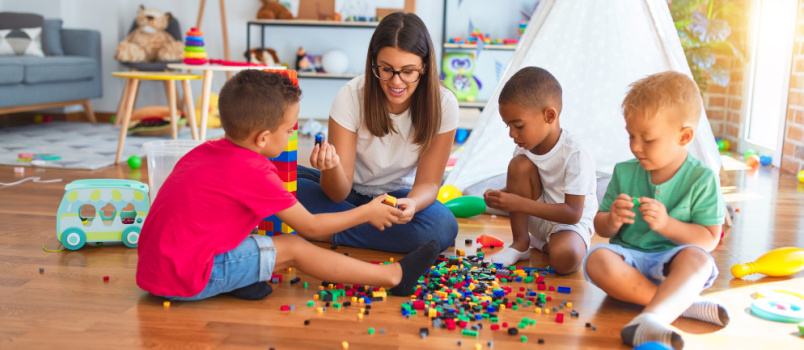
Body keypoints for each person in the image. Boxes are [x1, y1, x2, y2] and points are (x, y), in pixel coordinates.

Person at [136, 70, 441, 301]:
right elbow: (310, 227)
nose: (292, 134)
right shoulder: (253, 170)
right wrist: (366, 213)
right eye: (289, 129)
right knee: (294, 247)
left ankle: (239, 278)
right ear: (263, 138)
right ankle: (393, 276)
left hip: (156, 268)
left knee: (268, 241)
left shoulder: (205, 151)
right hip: (183, 278)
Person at [583, 71, 728, 349]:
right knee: (596, 259)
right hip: (628, 258)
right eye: (631, 136)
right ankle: (680, 303)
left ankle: (651, 317)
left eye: (648, 139)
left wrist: (667, 225)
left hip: (675, 259)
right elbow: (600, 227)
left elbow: (709, 239)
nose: (636, 146)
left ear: (684, 136)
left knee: (700, 261)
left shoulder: (702, 178)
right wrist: (612, 220)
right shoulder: (624, 172)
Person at [296, 12, 459, 253]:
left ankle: (318, 228)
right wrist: (331, 168)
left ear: (424, 67)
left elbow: (428, 183)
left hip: (397, 198)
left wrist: (413, 202)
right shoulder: (351, 96)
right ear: (374, 62)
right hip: (347, 195)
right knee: (278, 183)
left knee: (441, 225)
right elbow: (337, 192)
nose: (396, 82)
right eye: (386, 69)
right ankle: (329, 226)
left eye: (408, 71)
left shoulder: (443, 104)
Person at [483, 67, 598, 273]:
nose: (511, 133)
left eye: (518, 125)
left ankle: (542, 245)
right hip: (537, 217)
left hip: (568, 224)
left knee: (564, 259)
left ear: (549, 115)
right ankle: (521, 244)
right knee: (518, 165)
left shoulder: (575, 154)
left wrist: (518, 203)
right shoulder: (523, 148)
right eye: (507, 125)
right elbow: (519, 190)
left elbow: (572, 214)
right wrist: (501, 195)